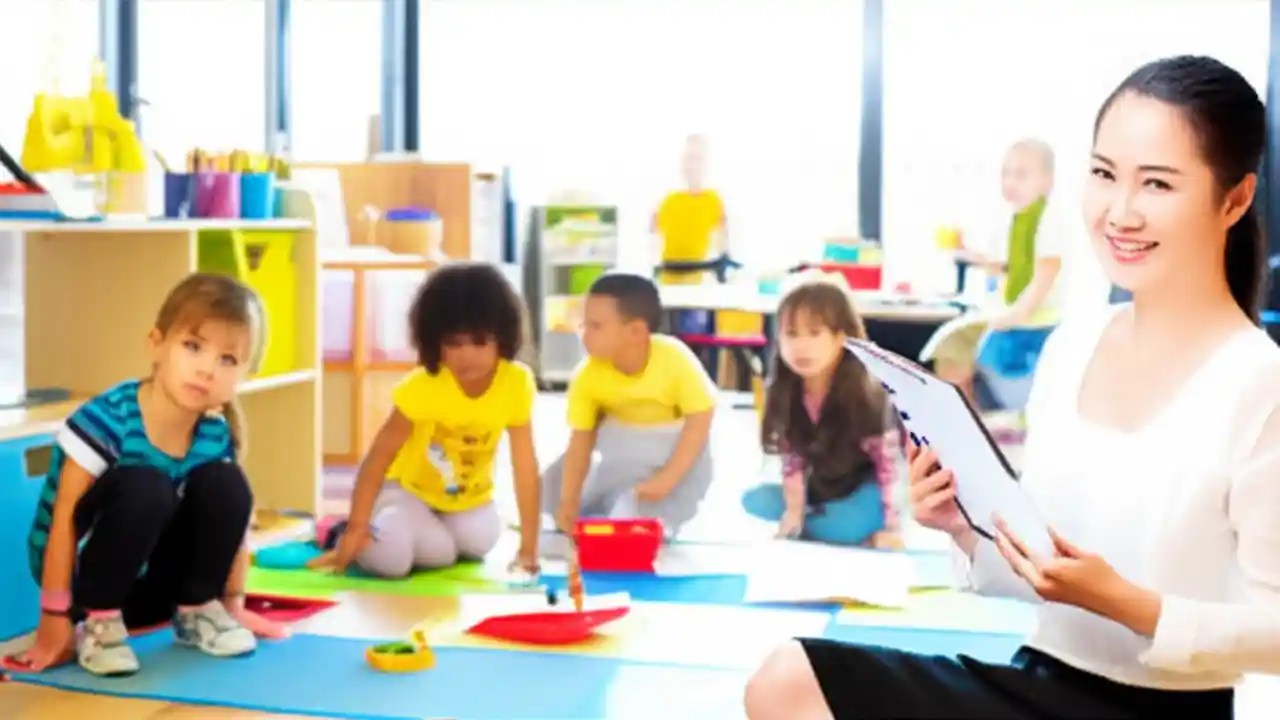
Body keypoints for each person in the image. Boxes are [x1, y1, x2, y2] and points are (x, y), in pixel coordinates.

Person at [744, 55, 1280, 719]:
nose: (1119, 212)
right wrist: (964, 529)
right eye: (1104, 174)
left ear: (1234, 199)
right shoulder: (1072, 346)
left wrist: (1128, 603)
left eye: (1157, 185)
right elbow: (1044, 571)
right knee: (786, 680)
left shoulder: (1259, 383)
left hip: (1161, 708)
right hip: (1038, 682)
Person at [11, 274, 282, 677]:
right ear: (156, 345)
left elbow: (235, 523)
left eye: (227, 360)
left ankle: (198, 614)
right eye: (193, 347)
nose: (207, 369)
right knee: (146, 485)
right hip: (84, 591)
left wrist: (234, 603)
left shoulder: (213, 431)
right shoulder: (108, 419)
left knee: (227, 485)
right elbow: (63, 521)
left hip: (153, 594)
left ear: (245, 374)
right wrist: (55, 620)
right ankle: (100, 627)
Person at [312, 263, 540, 578]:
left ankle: (417, 534)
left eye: (479, 342)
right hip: (407, 492)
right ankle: (343, 532)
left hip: (466, 501)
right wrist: (356, 526)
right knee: (401, 560)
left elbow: (525, 467)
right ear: (435, 342)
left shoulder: (515, 382)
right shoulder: (424, 387)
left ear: (502, 338)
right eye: (453, 344)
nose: (466, 356)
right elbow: (378, 459)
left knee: (478, 541)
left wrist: (529, 548)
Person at [542, 273, 716, 537]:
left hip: (672, 456)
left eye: (595, 326)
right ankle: (602, 511)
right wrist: (568, 500)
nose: (584, 335)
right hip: (620, 459)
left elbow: (700, 420)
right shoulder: (587, 375)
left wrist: (666, 479)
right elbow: (581, 442)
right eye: (583, 325)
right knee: (551, 488)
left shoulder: (674, 358)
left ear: (636, 331)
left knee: (642, 518)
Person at [742, 274, 901, 548]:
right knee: (755, 500)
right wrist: (793, 513)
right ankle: (821, 524)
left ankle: (834, 526)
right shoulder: (785, 390)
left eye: (815, 333)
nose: (801, 346)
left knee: (850, 524)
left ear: (841, 337)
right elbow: (791, 461)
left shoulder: (868, 395)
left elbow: (889, 468)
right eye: (791, 334)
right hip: (819, 489)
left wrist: (893, 527)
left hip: (861, 489)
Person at [927, 138, 1070, 409]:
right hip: (1010, 316)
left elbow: (1045, 275)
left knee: (959, 349)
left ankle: (975, 423)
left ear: (1047, 181)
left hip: (1036, 323)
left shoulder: (1049, 220)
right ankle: (967, 422)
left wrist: (1014, 315)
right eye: (1006, 173)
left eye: (1021, 174)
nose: (1010, 181)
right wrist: (966, 251)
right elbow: (1004, 267)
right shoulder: (1014, 220)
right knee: (948, 348)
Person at [652, 133, 729, 285]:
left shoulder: (715, 201)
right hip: (668, 282)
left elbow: (723, 247)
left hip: (700, 284)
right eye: (689, 159)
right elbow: (654, 242)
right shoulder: (667, 201)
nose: (693, 166)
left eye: (698, 160)